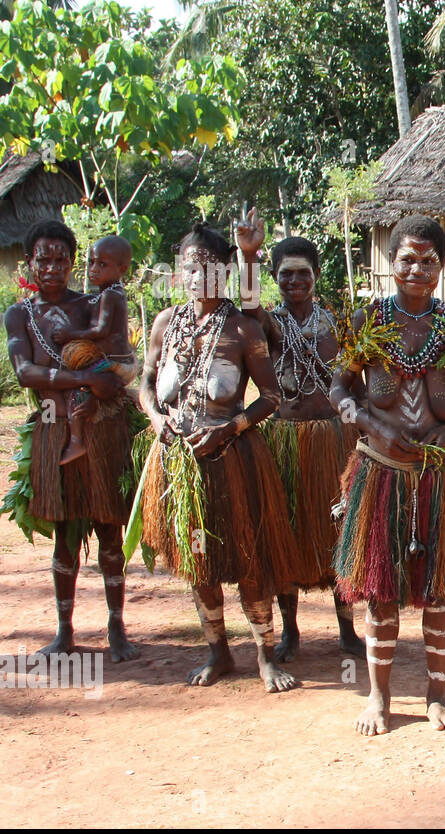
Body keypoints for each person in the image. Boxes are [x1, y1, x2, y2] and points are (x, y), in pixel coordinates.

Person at [330, 215, 445, 735]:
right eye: (407, 260)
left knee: (441, 585)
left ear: (441, 267)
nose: (417, 270)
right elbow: (339, 391)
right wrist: (372, 422)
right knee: (381, 589)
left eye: (428, 261)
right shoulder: (367, 322)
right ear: (390, 264)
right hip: (382, 471)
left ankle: (437, 696)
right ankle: (378, 697)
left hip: (442, 473)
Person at [137, 219, 301, 691]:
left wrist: (229, 429)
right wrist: (156, 418)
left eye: (208, 266)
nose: (197, 275)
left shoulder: (244, 328)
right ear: (179, 271)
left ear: (225, 271)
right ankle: (218, 652)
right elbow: (146, 383)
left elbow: (271, 398)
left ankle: (265, 656)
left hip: (233, 461)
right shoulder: (165, 323)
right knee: (199, 558)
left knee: (248, 558)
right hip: (178, 463)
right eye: (189, 266)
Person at [4, 220, 136, 662]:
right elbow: (26, 373)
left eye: (62, 259)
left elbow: (116, 371)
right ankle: (65, 631)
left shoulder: (95, 305)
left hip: (102, 431)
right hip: (52, 430)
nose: (53, 267)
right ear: (30, 262)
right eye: (44, 258)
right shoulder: (19, 314)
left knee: (109, 531)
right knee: (64, 534)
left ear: (72, 262)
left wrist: (96, 381)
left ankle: (117, 628)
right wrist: (81, 377)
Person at [241, 233, 364, 661]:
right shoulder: (270, 324)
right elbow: (249, 303)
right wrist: (248, 255)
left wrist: (364, 436)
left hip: (334, 438)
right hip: (286, 441)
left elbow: (357, 386)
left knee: (339, 529)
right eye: (286, 274)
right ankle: (290, 631)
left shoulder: (337, 326)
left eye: (303, 273)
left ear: (316, 276)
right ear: (275, 278)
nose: (295, 281)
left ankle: (347, 630)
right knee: (287, 530)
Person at [51, 235, 139, 466]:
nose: (93, 269)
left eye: (102, 264)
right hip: (121, 362)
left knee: (76, 388)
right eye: (91, 262)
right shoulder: (108, 293)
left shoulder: (111, 294)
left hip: (115, 365)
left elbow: (100, 330)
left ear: (122, 268)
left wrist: (70, 334)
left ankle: (77, 440)